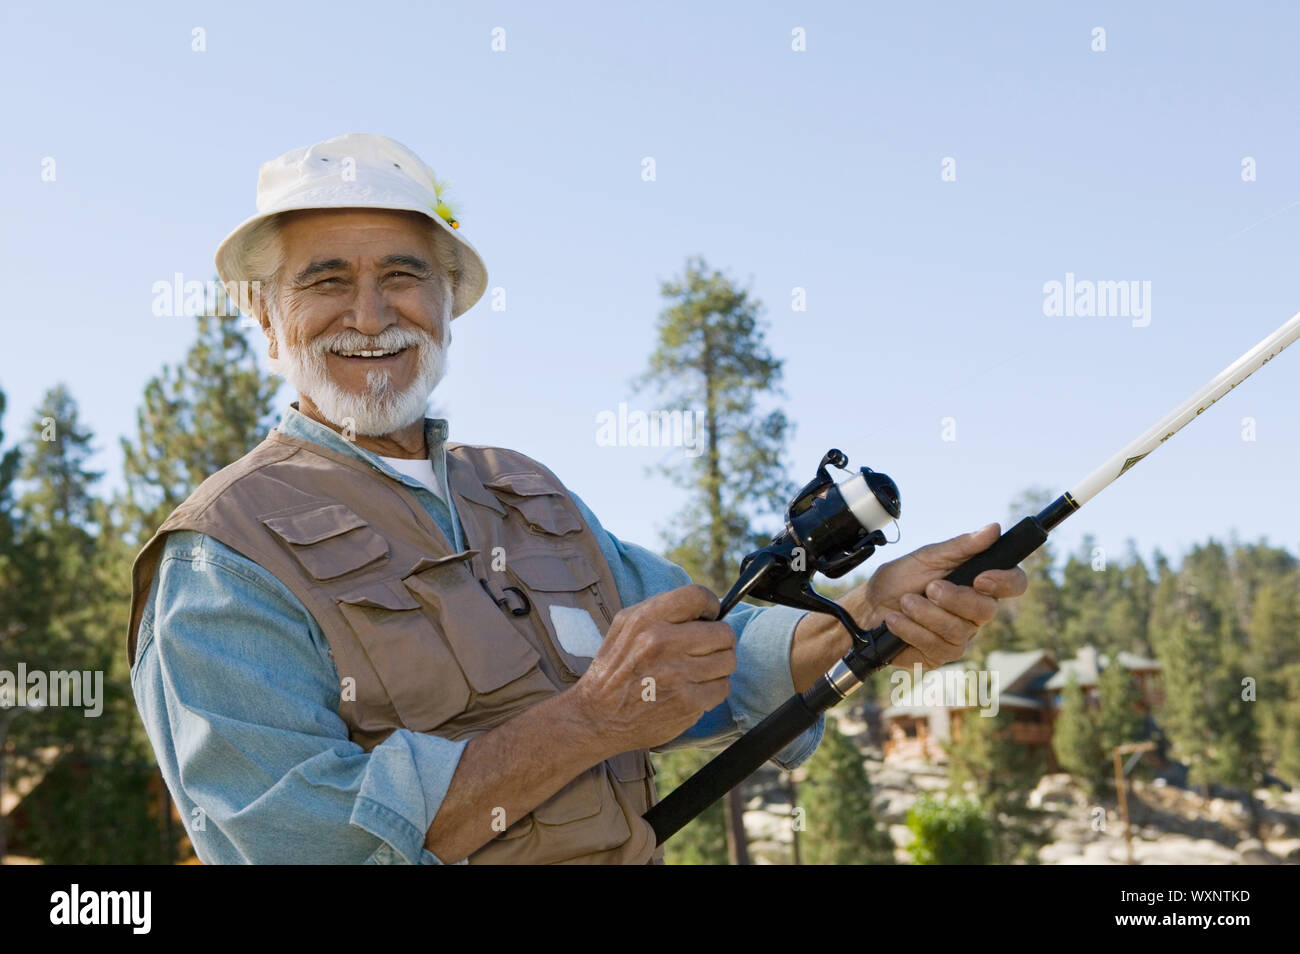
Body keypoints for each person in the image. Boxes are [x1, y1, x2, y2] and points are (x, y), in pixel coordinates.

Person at [127, 133, 1028, 865]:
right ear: (263, 314)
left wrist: (867, 613)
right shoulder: (222, 552)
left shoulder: (525, 492)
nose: (370, 314)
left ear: (448, 302)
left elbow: (712, 655)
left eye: (403, 276)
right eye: (326, 279)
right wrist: (589, 721)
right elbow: (298, 843)